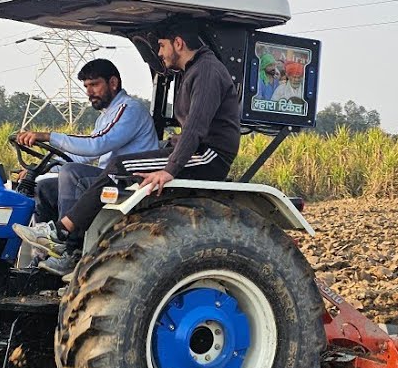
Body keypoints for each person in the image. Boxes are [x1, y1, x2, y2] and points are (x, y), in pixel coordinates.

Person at [14, 19, 241, 276]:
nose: (159, 53)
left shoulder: (207, 71)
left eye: (161, 46)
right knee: (50, 185)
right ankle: (45, 253)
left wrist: (170, 170)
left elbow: (195, 127)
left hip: (209, 155)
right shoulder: (192, 71)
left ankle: (64, 236)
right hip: (195, 150)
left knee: (120, 165)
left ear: (178, 43)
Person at [14, 58, 157, 266]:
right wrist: (40, 169)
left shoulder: (129, 109)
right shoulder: (105, 117)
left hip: (129, 181)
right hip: (107, 177)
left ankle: (70, 250)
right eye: (86, 86)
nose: (90, 92)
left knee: (72, 174)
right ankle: (44, 254)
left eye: (95, 85)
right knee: (44, 187)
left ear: (113, 83)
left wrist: (48, 136)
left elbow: (97, 145)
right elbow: (83, 156)